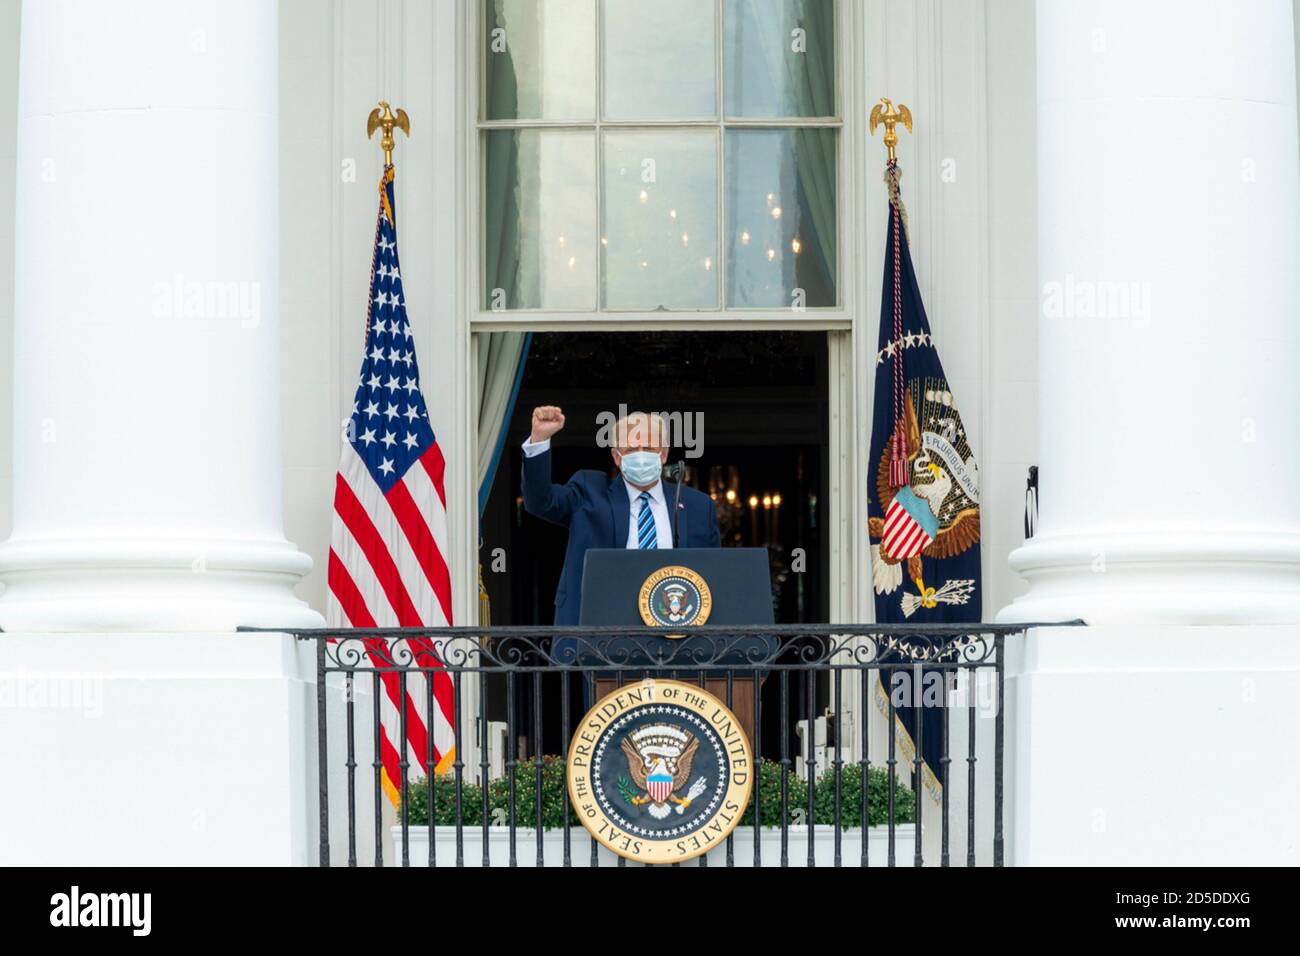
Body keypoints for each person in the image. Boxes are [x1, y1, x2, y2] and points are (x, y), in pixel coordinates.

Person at [521, 406, 721, 659]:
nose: (640, 455)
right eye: (630, 450)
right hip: (603, 638)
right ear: (617, 457)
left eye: (648, 448)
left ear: (663, 454)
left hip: (678, 634)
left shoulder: (697, 505)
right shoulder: (588, 490)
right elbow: (541, 502)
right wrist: (539, 440)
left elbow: (715, 574)